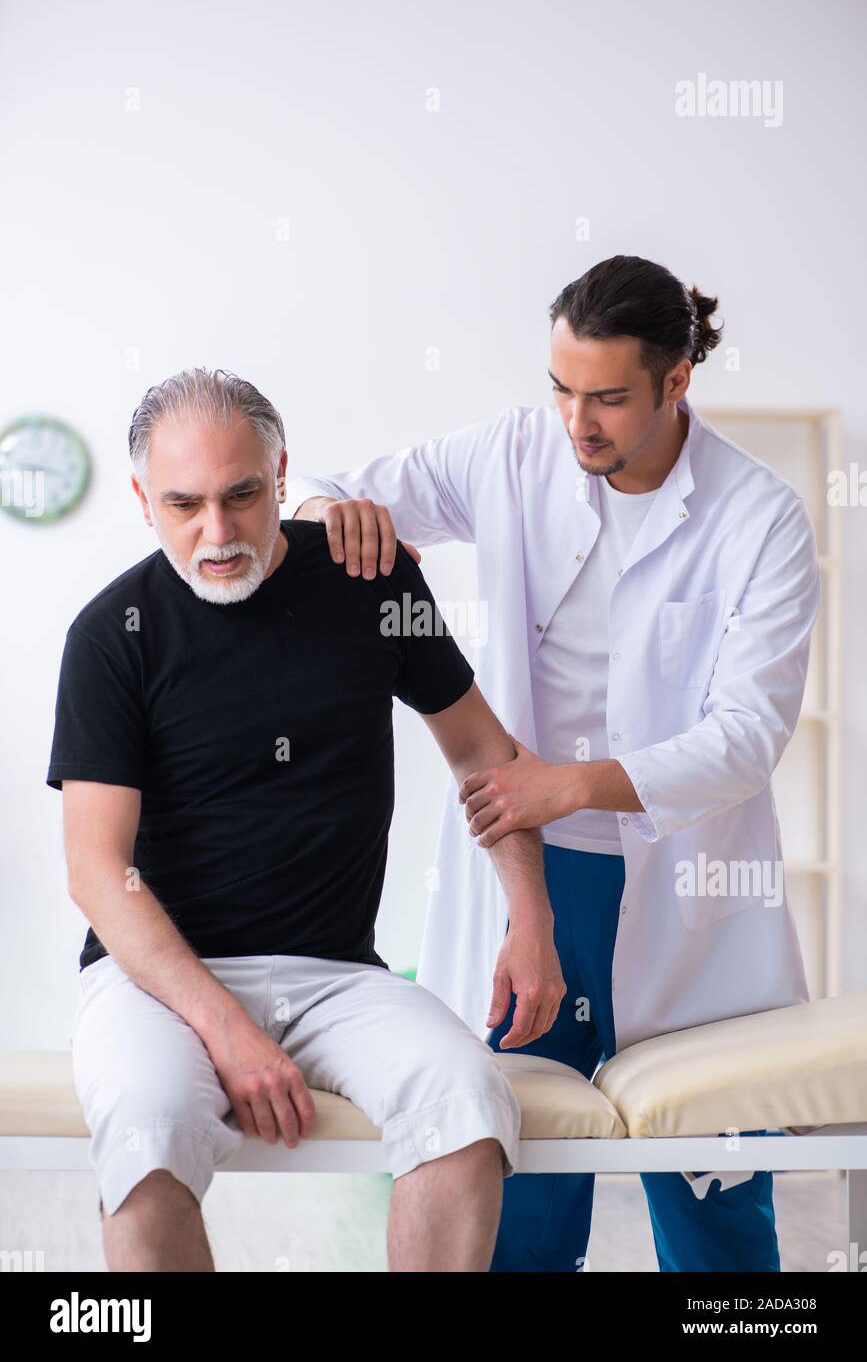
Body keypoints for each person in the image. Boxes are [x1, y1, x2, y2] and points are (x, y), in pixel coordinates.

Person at [284, 254, 821, 1272]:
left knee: (717, 1195)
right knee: (520, 1187)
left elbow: (750, 733)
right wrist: (328, 516)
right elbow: (328, 487)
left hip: (686, 881)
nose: (578, 421)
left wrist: (564, 782)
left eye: (610, 398)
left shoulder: (760, 517)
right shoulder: (512, 455)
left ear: (677, 381)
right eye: (563, 389)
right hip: (534, 882)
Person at [46, 367, 567, 1272]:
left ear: (283, 474)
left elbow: (485, 754)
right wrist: (225, 1029)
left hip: (334, 978)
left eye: (242, 496)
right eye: (184, 504)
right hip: (155, 984)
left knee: (465, 1100)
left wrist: (531, 919)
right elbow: (98, 871)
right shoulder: (110, 636)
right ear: (141, 499)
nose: (217, 534)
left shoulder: (368, 584)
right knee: (148, 1130)